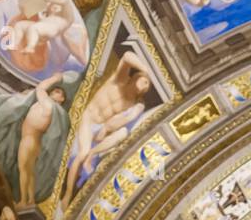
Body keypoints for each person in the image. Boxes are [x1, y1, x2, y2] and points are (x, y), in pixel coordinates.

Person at [63, 50, 154, 200]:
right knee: (83, 152)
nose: (145, 86)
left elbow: (120, 123)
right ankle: (67, 194)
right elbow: (126, 56)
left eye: (147, 86)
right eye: (145, 81)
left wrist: (106, 128)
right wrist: (146, 70)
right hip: (89, 119)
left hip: (100, 130)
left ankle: (91, 156)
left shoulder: (133, 104)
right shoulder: (119, 80)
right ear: (137, 77)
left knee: (123, 132)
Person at [17, 74, 67, 206]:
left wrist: (55, 78)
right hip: (35, 141)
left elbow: (40, 88)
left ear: (61, 99)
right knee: (30, 171)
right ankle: (31, 200)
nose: (52, 92)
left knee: (22, 168)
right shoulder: (52, 109)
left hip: (28, 139)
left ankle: (22, 200)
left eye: (57, 92)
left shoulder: (48, 104)